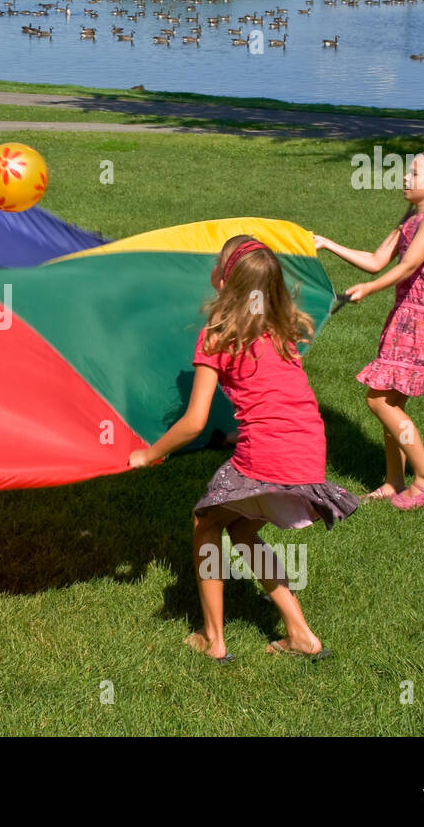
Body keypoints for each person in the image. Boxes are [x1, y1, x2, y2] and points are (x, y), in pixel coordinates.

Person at [129, 237, 357, 663]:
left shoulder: (217, 335)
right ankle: (301, 634)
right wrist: (243, 434)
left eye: (217, 266)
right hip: (308, 447)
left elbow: (194, 422)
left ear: (224, 280)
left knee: (206, 522)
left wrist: (149, 453)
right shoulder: (282, 332)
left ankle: (213, 639)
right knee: (243, 529)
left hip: (269, 453)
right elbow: (280, 398)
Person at [315, 150, 424, 510]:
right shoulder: (411, 219)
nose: (405, 178)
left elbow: (410, 265)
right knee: (391, 400)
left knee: (378, 399)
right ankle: (393, 482)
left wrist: (369, 290)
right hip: (408, 317)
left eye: (415, 173)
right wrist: (327, 244)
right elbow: (375, 261)